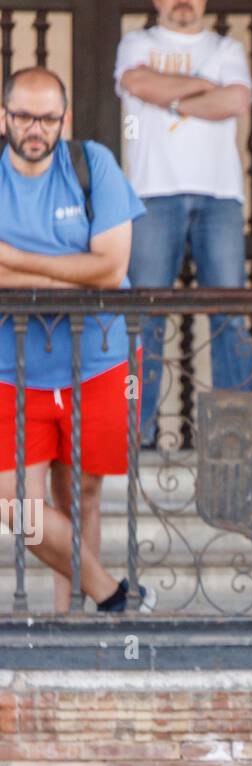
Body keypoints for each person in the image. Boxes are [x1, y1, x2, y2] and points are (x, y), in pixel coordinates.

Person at [0, 66, 154, 616]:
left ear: (64, 119)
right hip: (12, 369)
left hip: (99, 359)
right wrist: (72, 271)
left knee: (83, 494)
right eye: (23, 116)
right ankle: (110, 592)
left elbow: (111, 269)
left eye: (47, 117)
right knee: (21, 509)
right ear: (4, 117)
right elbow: (92, 267)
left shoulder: (93, 164)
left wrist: (13, 260)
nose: (35, 128)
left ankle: (71, 620)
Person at [115, 0, 252, 448]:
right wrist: (198, 88)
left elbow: (235, 98)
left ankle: (236, 436)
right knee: (145, 313)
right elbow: (134, 81)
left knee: (229, 313)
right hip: (152, 192)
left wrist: (168, 95)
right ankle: (137, 434)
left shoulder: (227, 46)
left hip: (220, 195)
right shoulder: (136, 43)